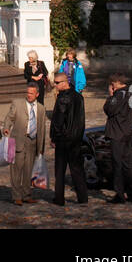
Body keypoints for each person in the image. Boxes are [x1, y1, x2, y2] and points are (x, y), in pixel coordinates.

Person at [2, 83, 47, 206]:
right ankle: (16, 196)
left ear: (37, 94)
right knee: (16, 171)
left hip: (32, 143)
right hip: (17, 141)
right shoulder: (17, 103)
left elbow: (42, 128)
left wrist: (41, 148)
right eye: (27, 92)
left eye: (32, 93)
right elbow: (9, 118)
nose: (29, 95)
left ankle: (27, 195)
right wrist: (6, 128)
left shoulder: (41, 109)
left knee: (28, 171)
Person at [50, 71, 88, 207]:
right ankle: (83, 197)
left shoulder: (63, 99)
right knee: (77, 169)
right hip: (76, 138)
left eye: (57, 83)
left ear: (65, 82)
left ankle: (59, 198)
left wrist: (54, 137)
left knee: (60, 170)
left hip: (64, 139)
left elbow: (58, 121)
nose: (55, 85)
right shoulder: (79, 97)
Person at [103, 76, 132, 204]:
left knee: (118, 165)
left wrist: (110, 96)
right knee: (128, 164)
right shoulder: (131, 93)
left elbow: (109, 110)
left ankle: (120, 194)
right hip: (127, 132)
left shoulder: (119, 95)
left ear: (115, 84)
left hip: (117, 133)